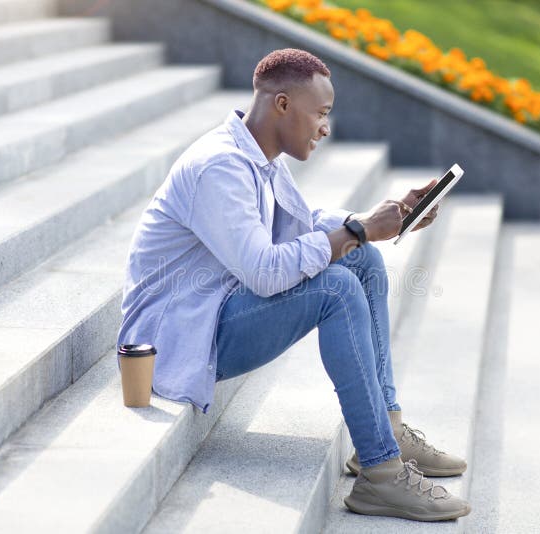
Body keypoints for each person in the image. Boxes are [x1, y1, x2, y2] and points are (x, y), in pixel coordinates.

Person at [118, 48, 471, 522]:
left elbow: (302, 224)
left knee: (361, 258)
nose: (325, 127)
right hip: (176, 338)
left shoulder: (257, 155)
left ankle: (385, 428)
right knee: (336, 290)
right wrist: (359, 230)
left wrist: (368, 223)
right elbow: (264, 272)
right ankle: (381, 475)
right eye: (321, 114)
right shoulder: (219, 166)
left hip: (214, 310)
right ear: (282, 104)